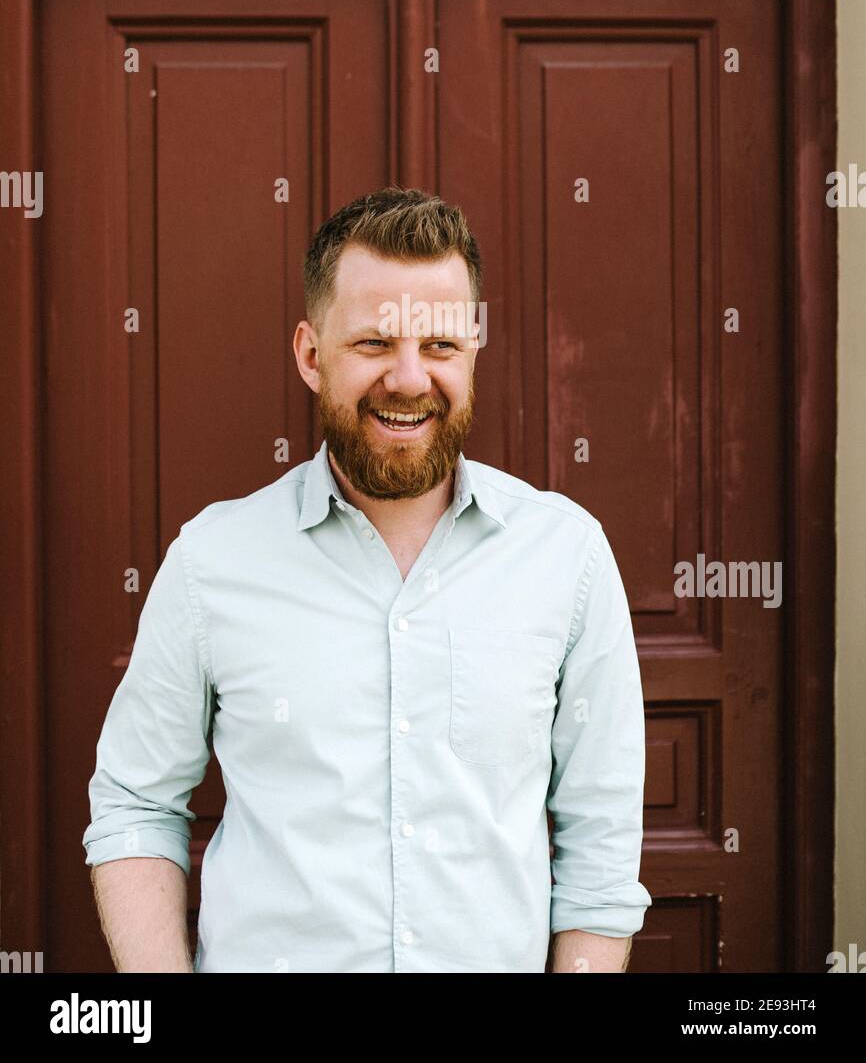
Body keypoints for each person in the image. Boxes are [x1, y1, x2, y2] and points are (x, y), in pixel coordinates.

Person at [83, 185, 651, 973]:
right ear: (312, 357)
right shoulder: (212, 562)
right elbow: (135, 803)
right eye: (376, 344)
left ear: (474, 351)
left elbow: (600, 849)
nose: (411, 379)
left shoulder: (567, 557)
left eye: (442, 346)